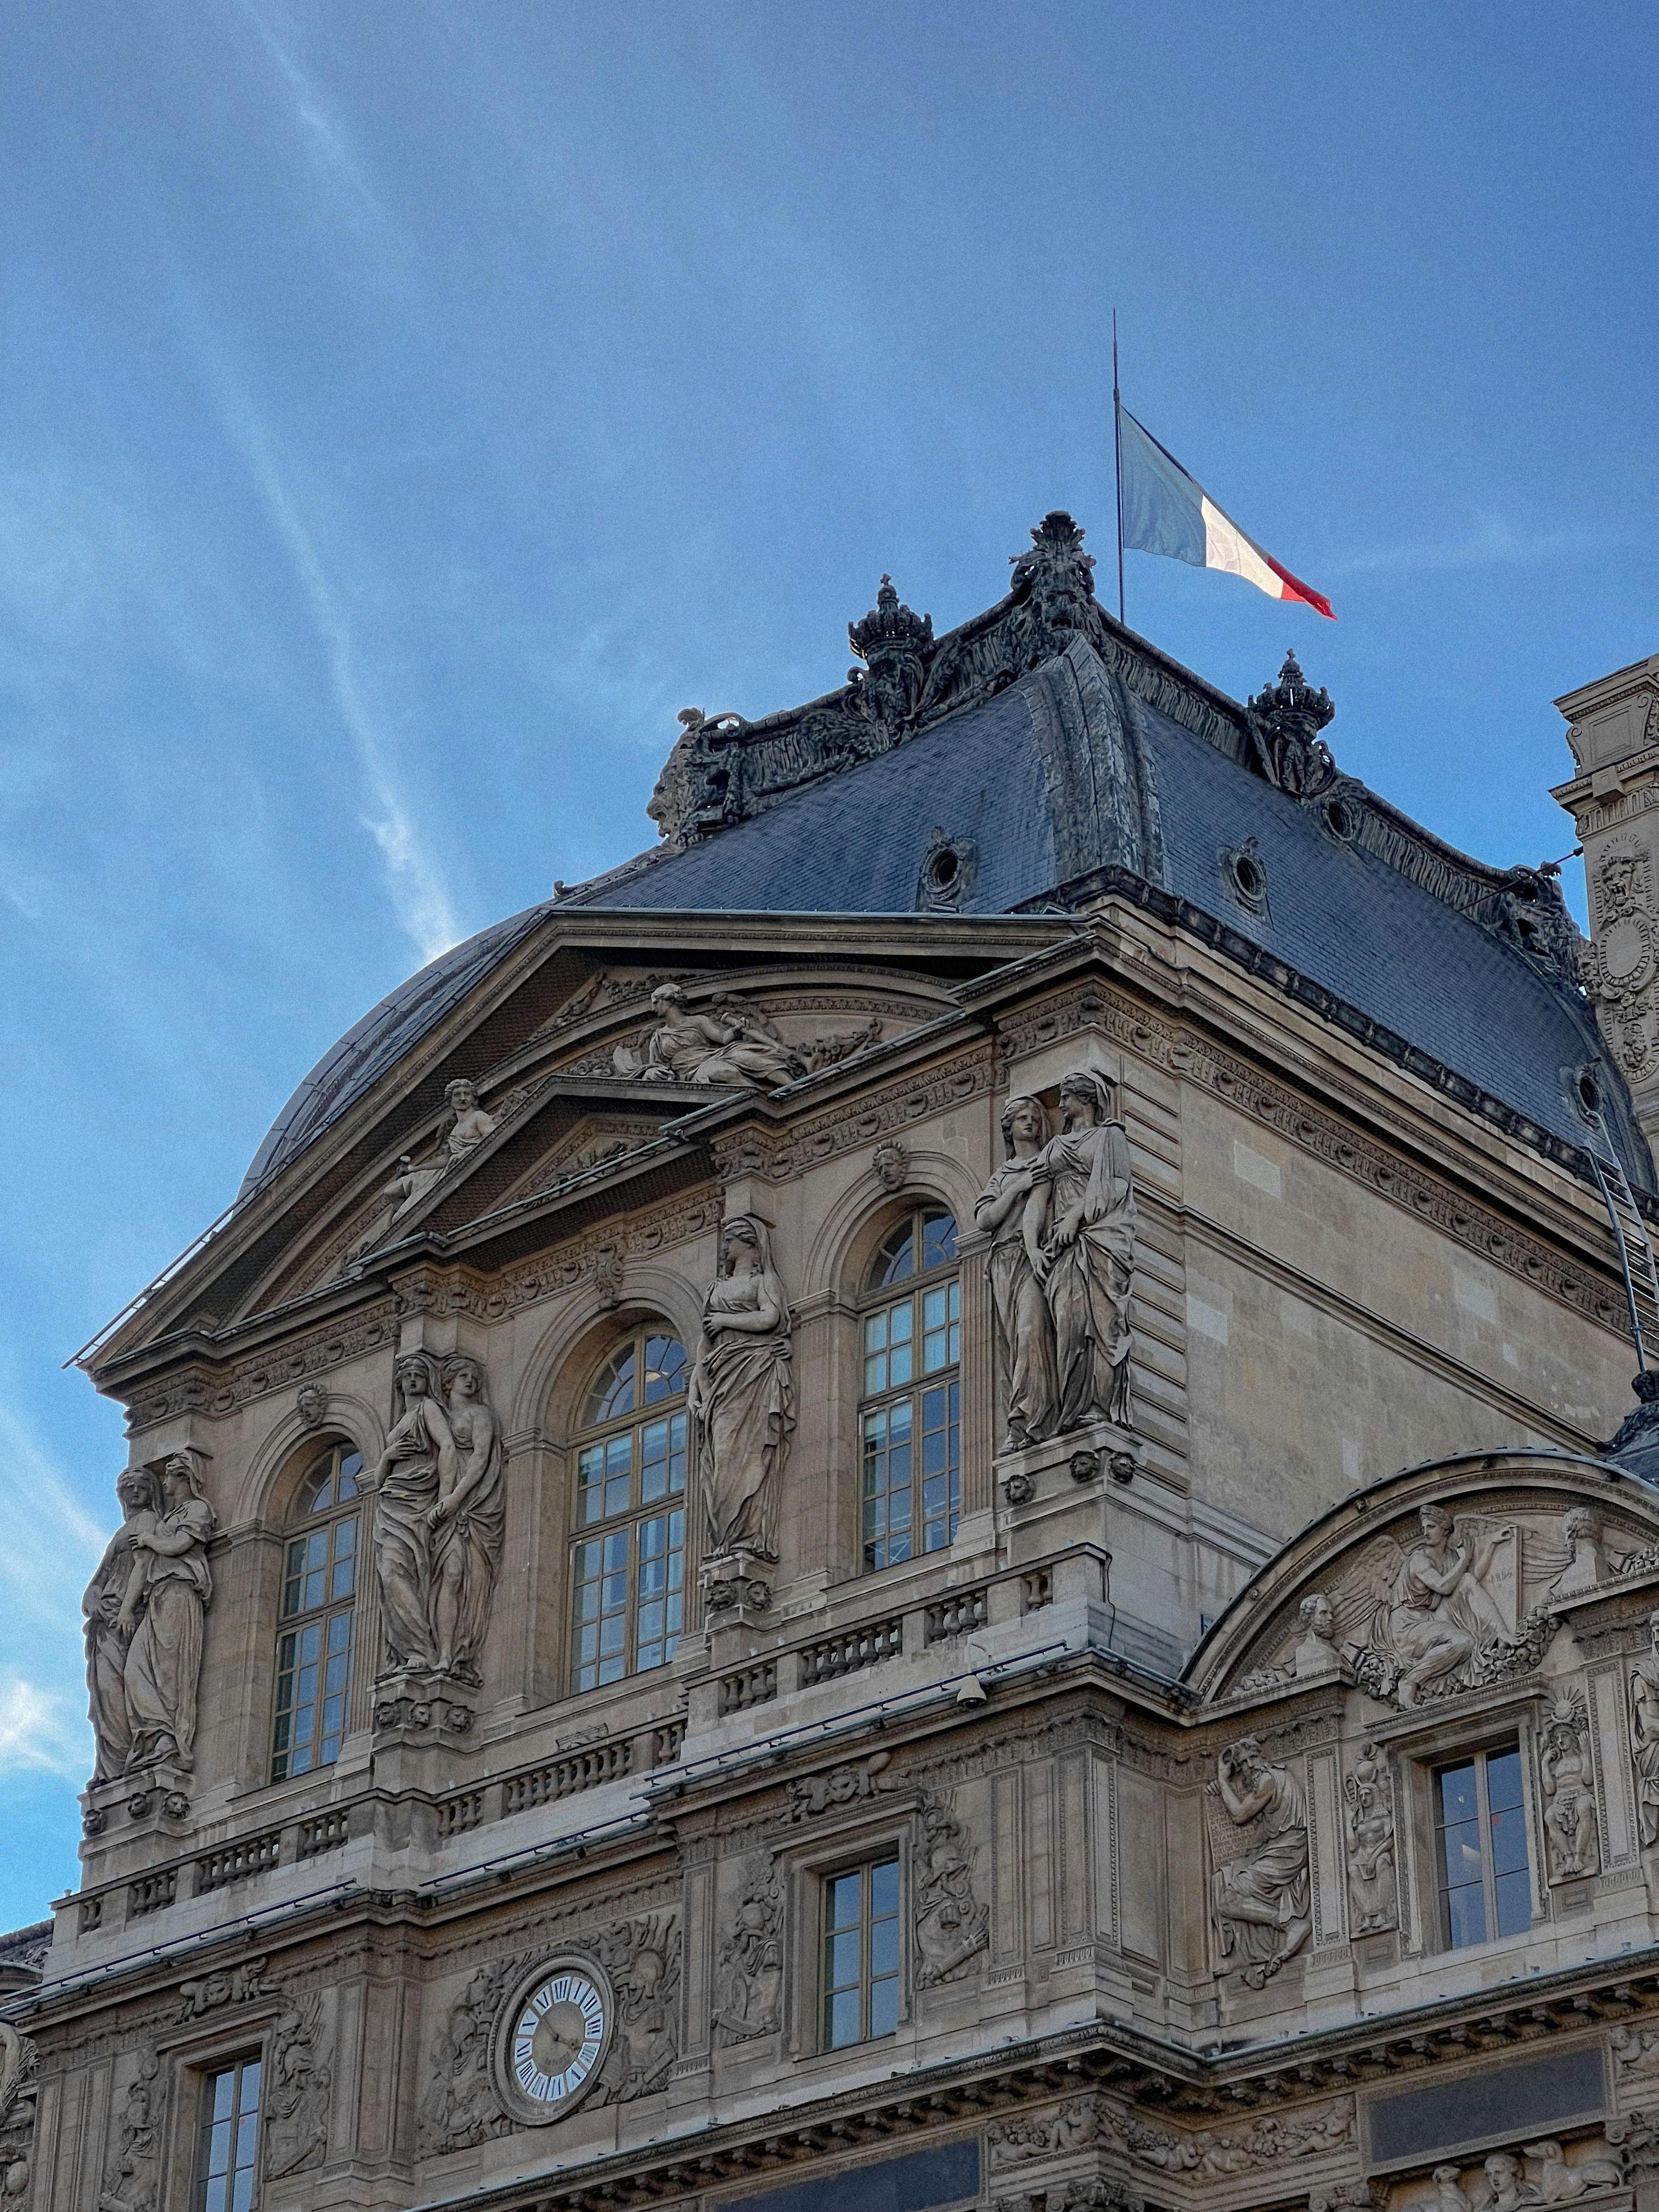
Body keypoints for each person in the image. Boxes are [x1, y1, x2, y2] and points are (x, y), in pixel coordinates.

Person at [1032, 1069, 1137, 1431]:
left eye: (1067, 1096)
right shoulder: (1055, 1148)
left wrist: (1075, 1217)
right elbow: (1037, 1196)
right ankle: (1072, 1409)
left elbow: (1116, 1185)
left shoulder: (1109, 1138)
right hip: (1061, 1247)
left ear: (1087, 1099)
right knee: (1069, 1326)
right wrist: (1033, 1246)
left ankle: (1097, 1408)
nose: (1061, 1104)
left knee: (1103, 1327)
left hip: (1101, 1239)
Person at [689, 1216, 794, 1560]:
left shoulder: (764, 1281)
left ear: (746, 1242)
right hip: (721, 1377)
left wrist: (726, 1320)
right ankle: (726, 1537)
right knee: (721, 1454)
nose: (723, 1247)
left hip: (753, 1371)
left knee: (744, 1453)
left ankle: (745, 1534)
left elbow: (770, 1319)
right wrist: (695, 1386)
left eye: (728, 1240)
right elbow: (705, 1346)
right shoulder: (715, 1289)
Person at [358, 1352, 455, 1675]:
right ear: (399, 1383)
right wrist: (386, 1456)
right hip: (391, 1505)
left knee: (402, 1571)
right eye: (408, 1375)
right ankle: (410, 1648)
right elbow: (377, 1479)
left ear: (428, 1381)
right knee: (390, 1575)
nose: (413, 1379)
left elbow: (448, 1447)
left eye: (419, 1374)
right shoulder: (399, 1423)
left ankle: (422, 1649)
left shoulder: (428, 1409)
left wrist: (445, 1498)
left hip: (418, 1503)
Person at [120, 1453, 217, 1772]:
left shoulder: (199, 1510)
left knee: (169, 1670)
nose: (163, 1483)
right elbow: (146, 1562)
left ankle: (167, 1738)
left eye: (168, 1478)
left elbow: (179, 1545)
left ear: (182, 1478)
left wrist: (149, 1538)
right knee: (135, 1668)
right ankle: (156, 1732)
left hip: (178, 1592)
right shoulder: (168, 1516)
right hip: (158, 1595)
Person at [974, 1094, 1058, 1449]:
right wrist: (1016, 1188)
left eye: (1035, 1118)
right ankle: (1021, 1422)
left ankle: (1030, 1418)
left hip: (1031, 1259)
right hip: (1002, 1262)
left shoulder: (1046, 1162)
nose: (1030, 1123)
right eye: (1022, 1118)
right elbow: (985, 1220)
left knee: (1030, 1332)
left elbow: (1036, 1214)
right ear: (1010, 1128)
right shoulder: (1003, 1175)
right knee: (1011, 1345)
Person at [428, 1355, 506, 1685]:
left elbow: (479, 1459)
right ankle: (443, 1652)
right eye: (462, 1375)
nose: (471, 1381)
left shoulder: (481, 1414)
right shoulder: (435, 1415)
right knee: (451, 1575)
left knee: (467, 1579)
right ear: (448, 1382)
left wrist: (454, 1499)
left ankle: (460, 1649)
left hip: (471, 1505)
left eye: (474, 1376)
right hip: (442, 1507)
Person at [82, 1466, 160, 1783]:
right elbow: (97, 1581)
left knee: (118, 1689)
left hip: (125, 1616)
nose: (134, 1492)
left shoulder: (149, 1521)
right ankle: (113, 1766)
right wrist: (93, 1601)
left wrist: (127, 1610)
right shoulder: (121, 1532)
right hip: (107, 1619)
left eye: (141, 1486)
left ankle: (125, 1759)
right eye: (128, 1488)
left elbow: (142, 1566)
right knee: (105, 1692)